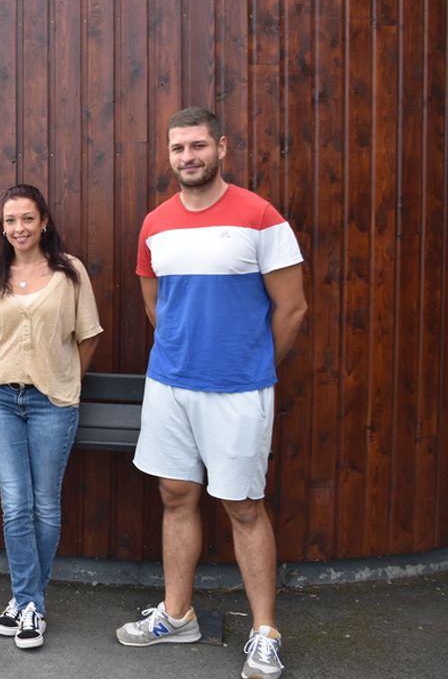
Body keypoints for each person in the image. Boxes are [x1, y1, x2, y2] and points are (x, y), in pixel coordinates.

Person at [115, 107, 307, 679]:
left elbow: (292, 308)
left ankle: (265, 632)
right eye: (178, 149)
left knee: (244, 507)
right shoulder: (156, 223)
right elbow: (157, 307)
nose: (187, 157)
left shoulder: (260, 217)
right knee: (176, 494)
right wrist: (188, 356)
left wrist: (247, 365)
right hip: (170, 384)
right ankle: (177, 617)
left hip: (239, 391)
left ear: (221, 147)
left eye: (197, 146)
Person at [0, 184, 103, 650]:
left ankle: (25, 603)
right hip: (1, 399)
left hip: (53, 402)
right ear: (2, 227)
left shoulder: (70, 273)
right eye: (10, 221)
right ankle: (31, 603)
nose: (18, 228)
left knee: (45, 504)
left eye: (27, 218)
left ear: (44, 221)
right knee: (15, 505)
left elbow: (88, 336)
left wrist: (67, 380)